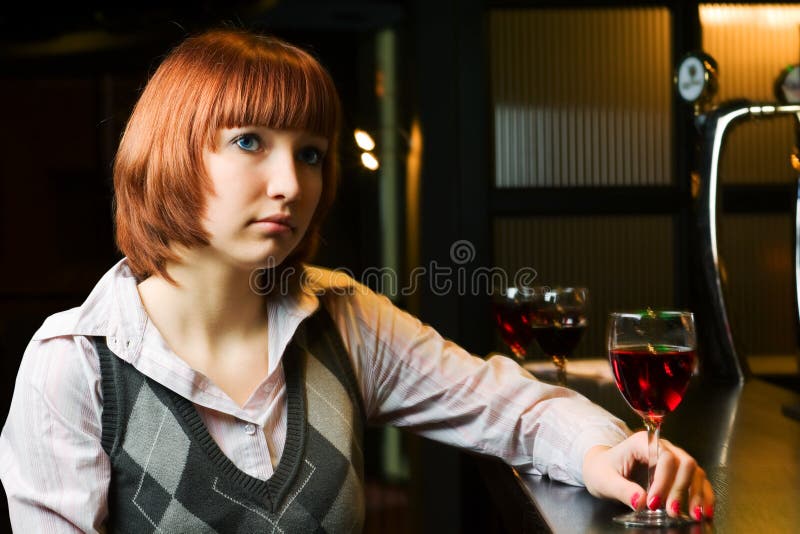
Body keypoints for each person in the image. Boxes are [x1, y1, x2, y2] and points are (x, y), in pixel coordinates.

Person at [0, 28, 713, 532]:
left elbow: (509, 408)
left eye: (310, 154)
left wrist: (599, 450)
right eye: (250, 141)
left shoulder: (343, 317)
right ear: (169, 154)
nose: (289, 183)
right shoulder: (75, 367)